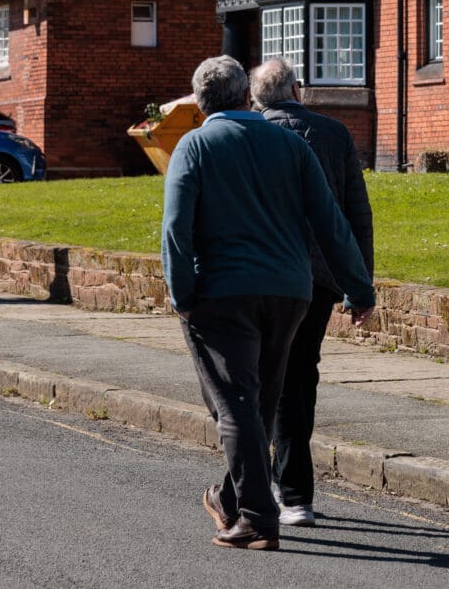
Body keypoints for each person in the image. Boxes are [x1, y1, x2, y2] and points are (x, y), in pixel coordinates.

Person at [162, 56, 376, 552]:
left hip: (221, 293)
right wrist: (359, 288)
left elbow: (176, 229)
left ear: (199, 104)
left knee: (233, 404)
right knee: (258, 403)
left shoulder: (194, 145)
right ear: (245, 96)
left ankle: (257, 520)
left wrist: (181, 296)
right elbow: (331, 223)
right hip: (290, 294)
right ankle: (230, 498)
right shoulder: (290, 144)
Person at [250, 59, 374, 528]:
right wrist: (360, 286)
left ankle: (264, 486)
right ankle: (294, 494)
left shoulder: (248, 135)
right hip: (317, 278)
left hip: (257, 277)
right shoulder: (334, 133)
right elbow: (356, 214)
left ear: (255, 98)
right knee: (299, 379)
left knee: (258, 381)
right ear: (297, 90)